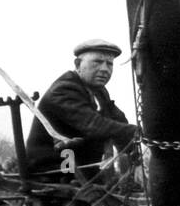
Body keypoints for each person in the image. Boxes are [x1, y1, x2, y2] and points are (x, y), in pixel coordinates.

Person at [24, 40, 138, 176]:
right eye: (97, 62)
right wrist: (139, 132)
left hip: (82, 172)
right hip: (52, 172)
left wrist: (136, 159)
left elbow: (118, 121)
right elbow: (94, 125)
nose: (105, 69)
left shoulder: (100, 92)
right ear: (78, 64)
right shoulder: (64, 89)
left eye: (109, 64)